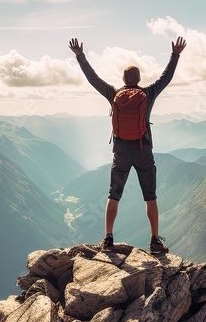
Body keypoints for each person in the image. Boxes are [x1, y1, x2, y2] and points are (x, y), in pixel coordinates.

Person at [69, 36, 186, 254]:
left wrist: (80, 56)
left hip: (121, 151)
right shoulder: (148, 93)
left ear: (123, 79)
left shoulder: (114, 94)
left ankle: (108, 238)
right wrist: (175, 55)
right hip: (143, 151)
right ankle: (155, 241)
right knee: (150, 197)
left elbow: (93, 79)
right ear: (139, 79)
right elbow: (166, 78)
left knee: (113, 196)